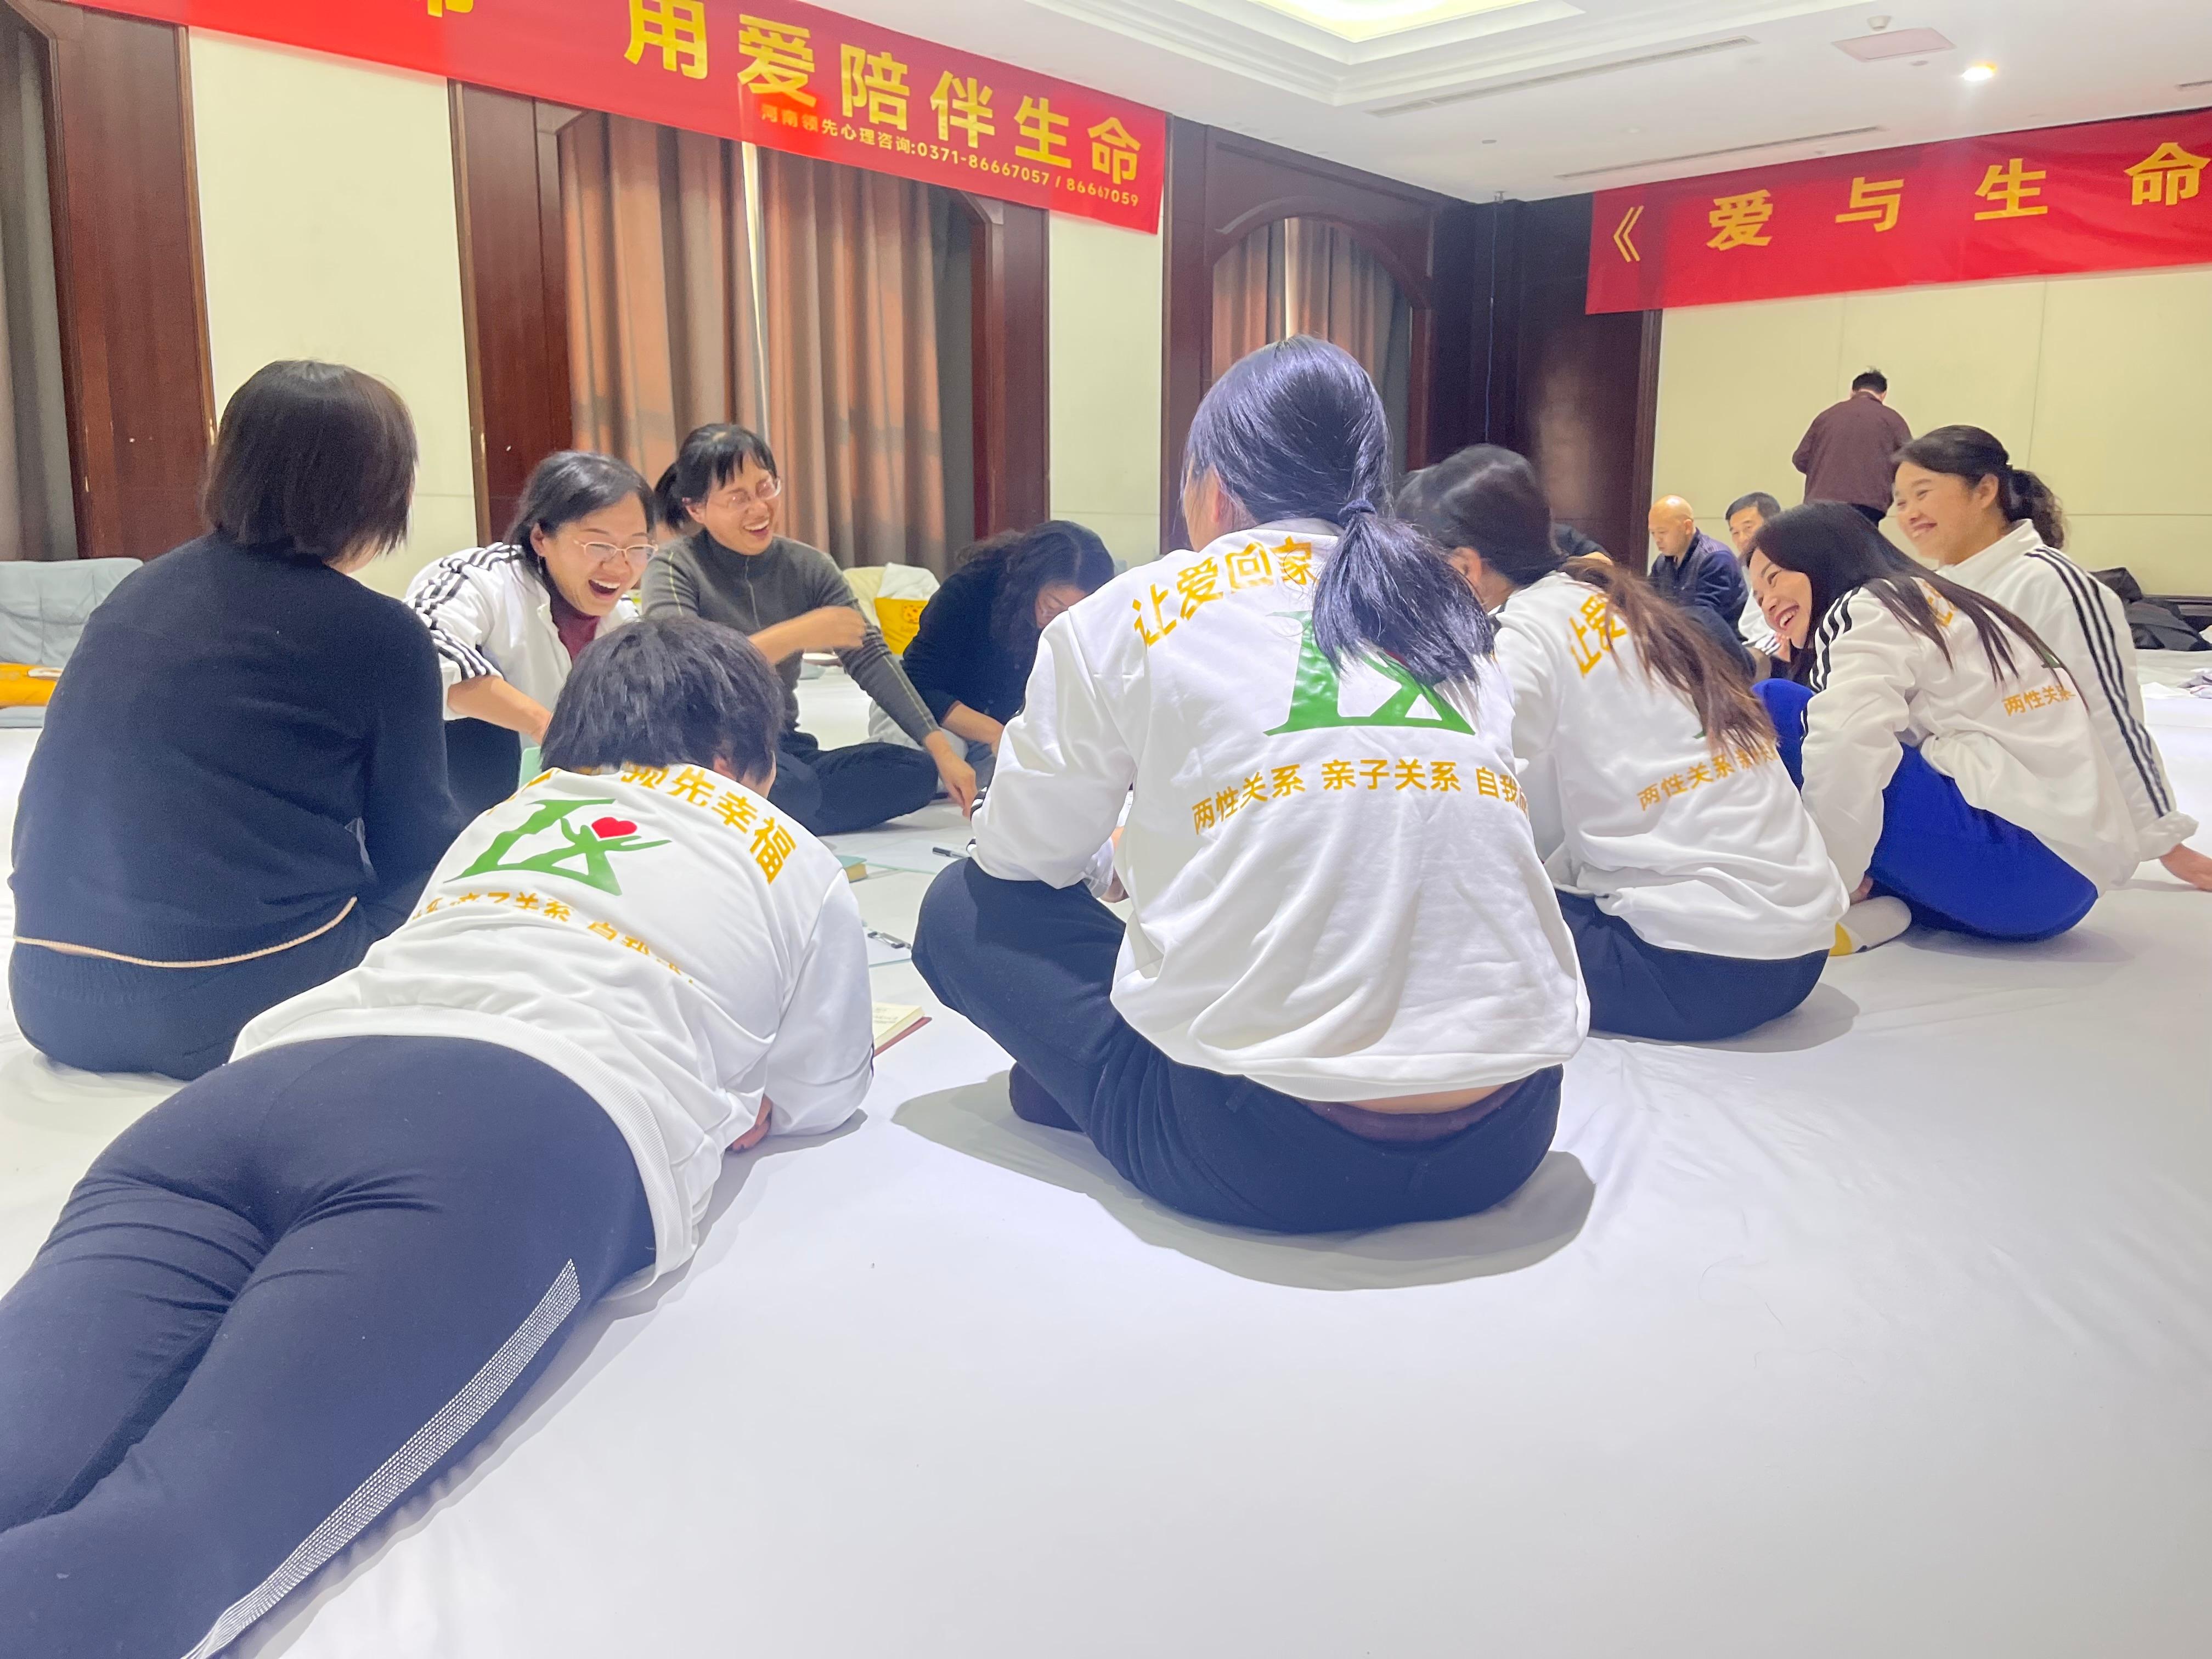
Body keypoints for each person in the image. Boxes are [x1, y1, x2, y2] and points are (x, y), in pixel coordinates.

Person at [0, 617, 874, 1656]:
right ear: (739, 759)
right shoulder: (785, 850)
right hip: (507, 1123)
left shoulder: (504, 815)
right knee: (185, 1531)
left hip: (249, 1092)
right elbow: (823, 1088)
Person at [913, 337, 1586, 1233]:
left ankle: (1094, 1080)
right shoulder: (1449, 616)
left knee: (960, 908)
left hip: (1269, 1155)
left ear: (1215, 489)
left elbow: (1020, 858)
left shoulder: (1134, 609)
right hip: (1510, 1124)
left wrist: (1118, 853)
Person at [8, 360, 459, 1081]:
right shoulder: (380, 634)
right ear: (382, 489)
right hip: (229, 1000)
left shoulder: (137, 590)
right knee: (452, 890)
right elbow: (418, 847)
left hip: (50, 997)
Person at [1402, 447, 1843, 1039]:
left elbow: (1453, 777)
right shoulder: (1625, 605)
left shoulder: (1526, 636)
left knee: (1432, 904)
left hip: (1700, 969)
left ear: (1464, 568)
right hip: (1800, 951)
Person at [1747, 503, 2136, 945]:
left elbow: (1847, 742)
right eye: (1758, 596)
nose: (1768, 603)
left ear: (1823, 557)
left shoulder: (1868, 606)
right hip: (2065, 884)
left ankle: (1825, 893)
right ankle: (1883, 908)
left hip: (2021, 864)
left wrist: (1825, 882)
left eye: (1774, 579)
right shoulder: (1938, 601)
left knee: (1771, 706)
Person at [1891, 425, 2212, 893]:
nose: (1910, 514)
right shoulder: (1935, 593)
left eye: (1923, 494)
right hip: (1968, 791)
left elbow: (2112, 713)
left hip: (2037, 823)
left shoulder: (2053, 586)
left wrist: (2164, 839)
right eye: (1900, 502)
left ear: (1985, 491)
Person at [642, 424, 976, 835]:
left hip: (781, 745)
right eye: (738, 498)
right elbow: (684, 673)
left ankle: (764, 814)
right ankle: (776, 807)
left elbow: (872, 659)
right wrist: (799, 634)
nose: (759, 508)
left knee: (915, 771)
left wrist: (941, 749)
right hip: (707, 750)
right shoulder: (674, 566)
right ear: (696, 509)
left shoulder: (808, 565)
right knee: (795, 787)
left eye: (765, 488)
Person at [407, 451, 656, 818]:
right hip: (469, 817)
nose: (620, 566)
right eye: (599, 545)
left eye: (636, 548)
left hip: (579, 816)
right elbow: (419, 650)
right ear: (541, 537)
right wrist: (545, 725)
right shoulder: (483, 579)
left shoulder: (626, 620)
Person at [894, 520, 1116, 789]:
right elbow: (916, 685)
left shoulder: (1082, 623)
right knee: (928, 770)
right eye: (1050, 604)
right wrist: (997, 734)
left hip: (1004, 726)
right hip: (933, 711)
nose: (1055, 619)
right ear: (1030, 583)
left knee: (1048, 777)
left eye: (1068, 613)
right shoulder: (969, 590)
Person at [1793, 369, 1911, 523]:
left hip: (1820, 502)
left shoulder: (1827, 416)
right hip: (1868, 504)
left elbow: (1800, 459)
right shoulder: (1893, 420)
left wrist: (1824, 474)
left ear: (1852, 391)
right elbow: (1909, 462)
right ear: (1883, 395)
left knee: (1822, 539)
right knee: (1857, 539)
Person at [1646, 494, 1750, 650]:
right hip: (1683, 646)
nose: (1657, 539)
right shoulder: (1663, 562)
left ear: (1687, 527)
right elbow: (1648, 602)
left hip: (1722, 651)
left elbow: (1704, 620)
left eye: (1662, 532)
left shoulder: (1716, 558)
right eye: (1653, 533)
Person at [1725, 490, 1785, 660]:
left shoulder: (1787, 563)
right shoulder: (1744, 566)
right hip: (1754, 644)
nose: (1742, 539)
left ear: (1773, 524)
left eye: (1748, 528)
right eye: (1735, 533)